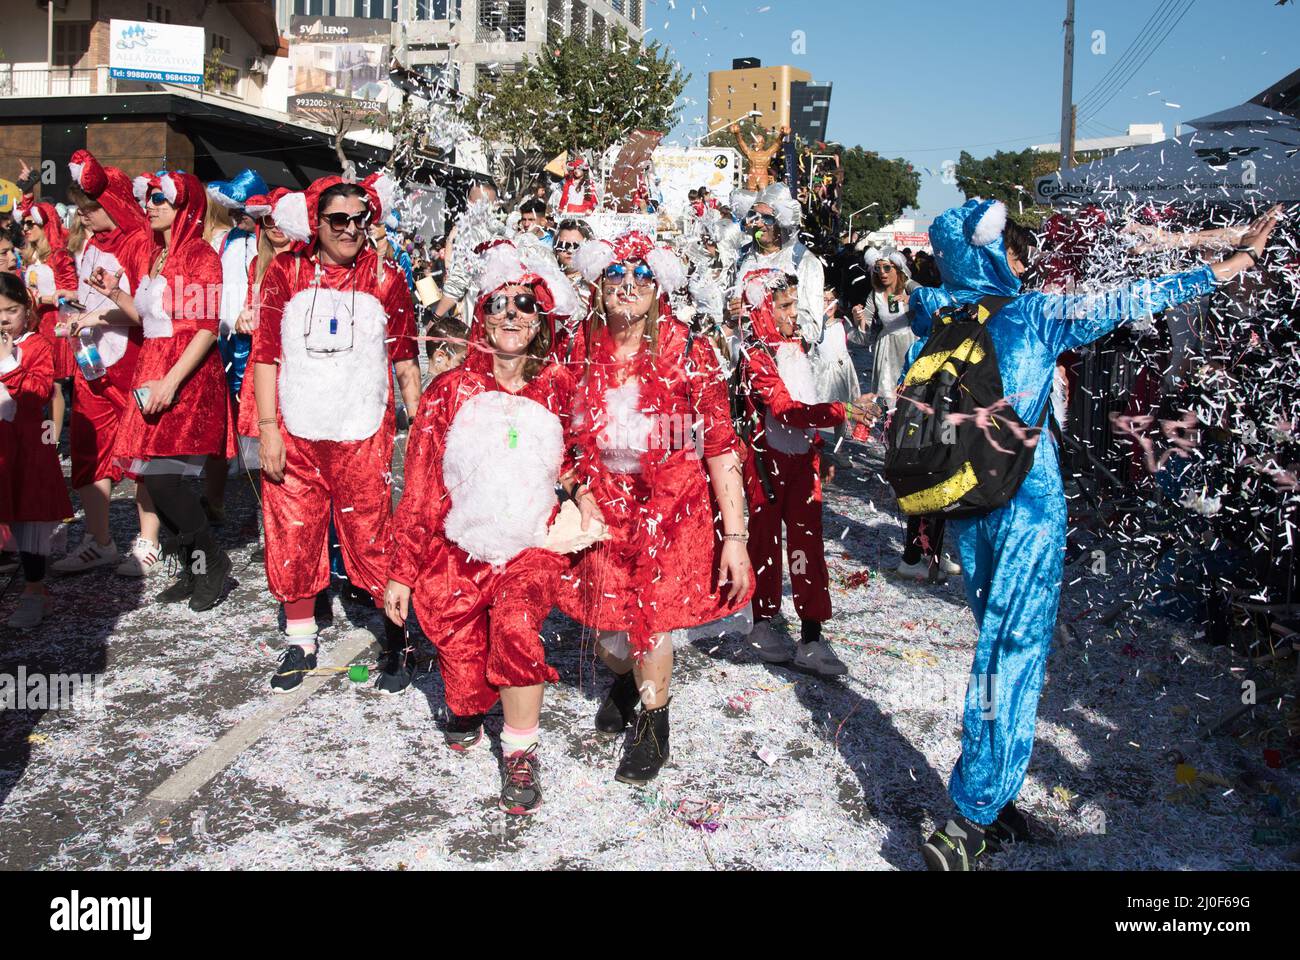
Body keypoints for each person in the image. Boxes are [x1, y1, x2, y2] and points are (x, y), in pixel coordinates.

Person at [916, 198, 1284, 871]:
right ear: (993, 252)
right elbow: (1130, 298)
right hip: (1026, 509)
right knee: (1012, 657)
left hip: (966, 513)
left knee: (996, 650)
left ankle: (990, 799)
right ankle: (969, 817)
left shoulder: (937, 319)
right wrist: (1230, 264)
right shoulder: (1030, 315)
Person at [385, 239, 590, 813]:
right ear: (481, 313)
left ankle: (521, 752)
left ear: (540, 318)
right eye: (499, 303)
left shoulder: (560, 388)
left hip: (533, 544)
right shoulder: (449, 393)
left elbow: (577, 462)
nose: (511, 314)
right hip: (462, 546)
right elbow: (423, 486)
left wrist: (583, 494)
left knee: (518, 625)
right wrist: (403, 571)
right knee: (464, 665)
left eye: (525, 303)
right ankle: (471, 704)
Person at [562, 230, 754, 785]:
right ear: (597, 282)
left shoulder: (689, 350)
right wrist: (578, 492)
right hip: (602, 513)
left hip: (673, 515)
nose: (628, 285)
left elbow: (719, 448)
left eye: (642, 275)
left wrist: (735, 540)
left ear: (660, 285)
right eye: (616, 274)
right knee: (609, 638)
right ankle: (624, 679)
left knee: (653, 626)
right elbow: (560, 436)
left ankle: (653, 721)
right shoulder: (577, 346)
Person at [251, 174, 421, 694]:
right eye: (337, 220)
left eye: (359, 219)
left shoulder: (386, 278)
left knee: (372, 539)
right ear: (315, 223)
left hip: (360, 436)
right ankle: (300, 640)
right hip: (297, 435)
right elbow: (264, 354)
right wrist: (268, 430)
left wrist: (418, 428)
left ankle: (398, 640)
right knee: (293, 533)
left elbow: (407, 357)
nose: (349, 230)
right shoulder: (285, 271)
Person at [77, 170, 235, 612]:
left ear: (186, 207)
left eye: (161, 200)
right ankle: (194, 567)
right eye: (149, 199)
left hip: (187, 379)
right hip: (153, 369)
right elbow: (150, 321)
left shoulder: (200, 255)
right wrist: (115, 294)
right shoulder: (156, 253)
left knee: (166, 481)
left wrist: (170, 382)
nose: (151, 206)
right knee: (150, 479)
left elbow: (204, 331)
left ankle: (212, 565)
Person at [736, 268, 877, 675]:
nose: (792, 314)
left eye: (794, 304)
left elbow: (803, 405)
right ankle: (761, 622)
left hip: (802, 464)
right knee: (764, 543)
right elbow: (783, 408)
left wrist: (822, 451)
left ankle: (811, 636)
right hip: (766, 463)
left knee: (808, 546)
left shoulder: (793, 347)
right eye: (783, 306)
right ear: (762, 310)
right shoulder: (755, 354)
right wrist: (843, 411)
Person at [53, 150, 161, 578]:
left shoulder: (140, 242)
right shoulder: (92, 245)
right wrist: (72, 317)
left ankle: (148, 540)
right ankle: (99, 541)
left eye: (90, 210)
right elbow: (87, 298)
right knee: (86, 450)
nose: (83, 219)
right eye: (79, 211)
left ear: (113, 204)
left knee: (143, 456)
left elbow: (145, 310)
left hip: (132, 363)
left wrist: (93, 315)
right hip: (91, 365)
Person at [0, 274, 76, 628]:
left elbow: (36, 395)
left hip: (27, 447)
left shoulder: (37, 346)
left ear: (26, 311)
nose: (3, 320)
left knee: (30, 519)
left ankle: (34, 591)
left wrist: (9, 362)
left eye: (11, 311)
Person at [204, 169, 269, 525]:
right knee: (220, 425)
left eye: (244, 211)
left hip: (256, 346)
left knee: (260, 428)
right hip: (222, 343)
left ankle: (264, 515)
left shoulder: (269, 246)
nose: (238, 218)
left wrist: (255, 313)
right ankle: (213, 502)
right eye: (234, 211)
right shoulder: (225, 242)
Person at [16, 198, 77, 444]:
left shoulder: (59, 255)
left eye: (31, 224)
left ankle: (50, 443)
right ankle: (40, 439)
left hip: (54, 325)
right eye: (24, 224)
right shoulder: (31, 257)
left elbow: (73, 291)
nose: (26, 228)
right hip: (35, 324)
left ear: (45, 224)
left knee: (54, 387)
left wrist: (48, 298)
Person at [854, 247, 920, 413]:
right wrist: (859, 319)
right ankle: (889, 426)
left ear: (897, 269)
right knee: (887, 391)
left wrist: (911, 299)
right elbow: (866, 324)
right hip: (886, 348)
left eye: (887, 267)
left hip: (910, 345)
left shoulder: (908, 286)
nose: (882, 272)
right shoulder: (875, 294)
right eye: (878, 268)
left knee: (910, 390)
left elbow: (928, 298)